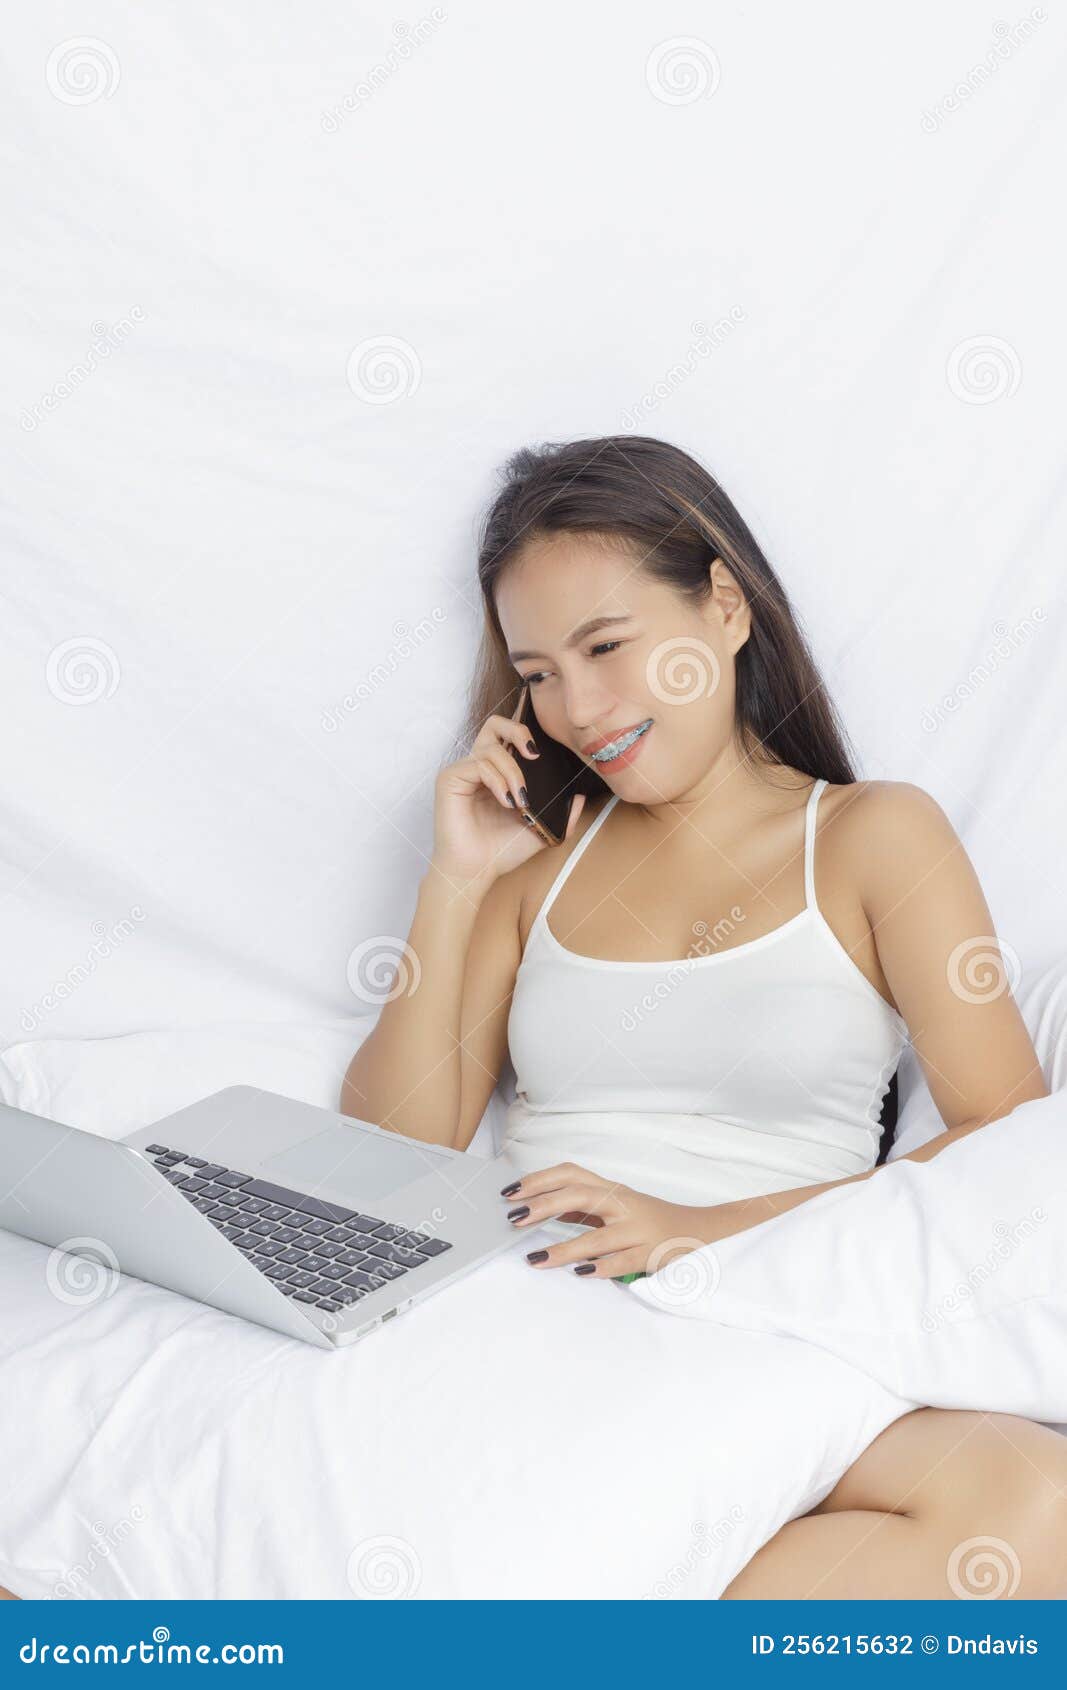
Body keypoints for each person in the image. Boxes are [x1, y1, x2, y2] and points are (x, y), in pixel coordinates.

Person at [342, 435, 1067, 1598]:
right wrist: (453, 882)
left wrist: (703, 1227)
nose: (578, 708)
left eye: (607, 648)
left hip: (773, 1305)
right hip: (540, 1305)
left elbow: (1008, 1153)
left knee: (1035, 1509)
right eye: (535, 674)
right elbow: (393, 1147)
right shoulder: (536, 866)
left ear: (723, 605)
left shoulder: (877, 837)